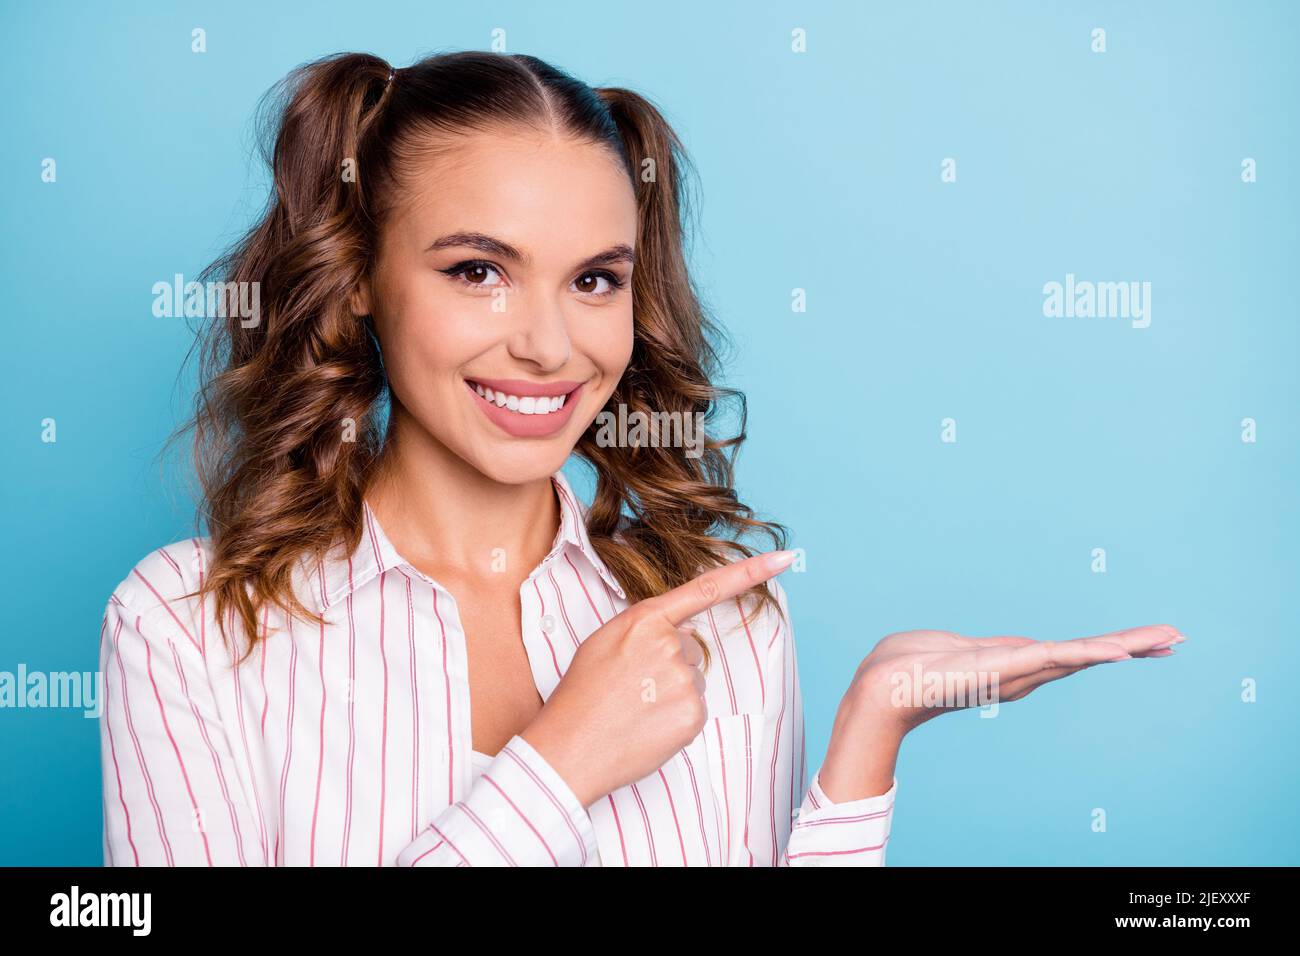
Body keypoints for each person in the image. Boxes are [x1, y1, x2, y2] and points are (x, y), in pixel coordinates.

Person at [99, 50, 1183, 867]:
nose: (550, 344)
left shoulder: (722, 617)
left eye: (595, 279)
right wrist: (555, 769)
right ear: (360, 282)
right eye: (478, 270)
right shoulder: (187, 627)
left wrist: (867, 736)